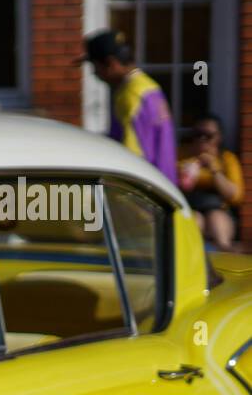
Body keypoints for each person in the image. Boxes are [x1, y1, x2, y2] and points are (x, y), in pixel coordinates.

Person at [77, 29, 177, 184]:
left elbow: (131, 158)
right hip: (164, 191)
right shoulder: (148, 87)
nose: (94, 73)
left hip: (146, 196)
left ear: (110, 63)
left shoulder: (130, 95)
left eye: (95, 66)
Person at [178, 113, 243, 251]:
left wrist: (214, 170)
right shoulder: (181, 155)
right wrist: (185, 175)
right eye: (197, 135)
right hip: (190, 207)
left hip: (218, 210)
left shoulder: (226, 159)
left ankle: (223, 259)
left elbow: (235, 195)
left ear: (218, 137)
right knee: (194, 220)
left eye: (208, 136)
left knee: (216, 219)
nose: (202, 140)